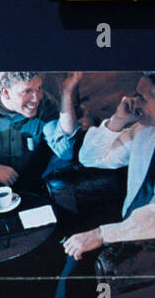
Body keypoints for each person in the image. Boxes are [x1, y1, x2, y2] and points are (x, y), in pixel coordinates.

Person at [65, 73, 155, 262]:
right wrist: (118, 120)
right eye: (136, 94)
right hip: (128, 232)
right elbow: (90, 158)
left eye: (143, 98)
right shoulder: (145, 131)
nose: (135, 103)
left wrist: (101, 234)